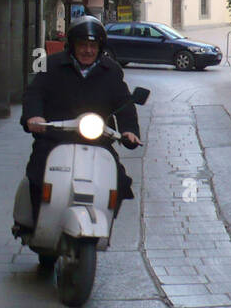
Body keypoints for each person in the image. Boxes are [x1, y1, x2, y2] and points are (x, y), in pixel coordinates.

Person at [19, 14, 141, 227]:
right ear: (72, 45)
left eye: (93, 45)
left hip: (97, 139)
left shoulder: (111, 70)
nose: (87, 50)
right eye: (82, 44)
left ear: (100, 47)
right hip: (56, 137)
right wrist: (33, 116)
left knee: (120, 181)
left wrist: (129, 130)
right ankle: (36, 224)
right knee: (38, 175)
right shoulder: (51, 64)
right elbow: (34, 93)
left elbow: (124, 103)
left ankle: (106, 218)